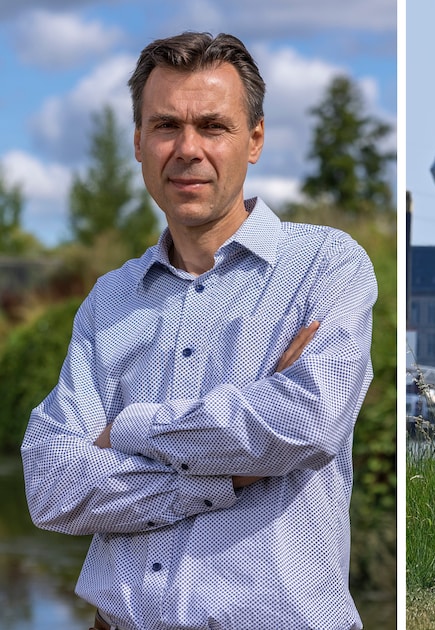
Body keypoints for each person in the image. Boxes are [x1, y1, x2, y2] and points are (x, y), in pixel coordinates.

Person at [20, 32, 377, 630]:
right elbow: (51, 482)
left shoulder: (326, 266)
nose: (187, 149)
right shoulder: (109, 299)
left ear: (255, 139)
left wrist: (129, 430)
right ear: (138, 142)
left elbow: (306, 421)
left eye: (212, 126)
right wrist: (229, 471)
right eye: (165, 126)